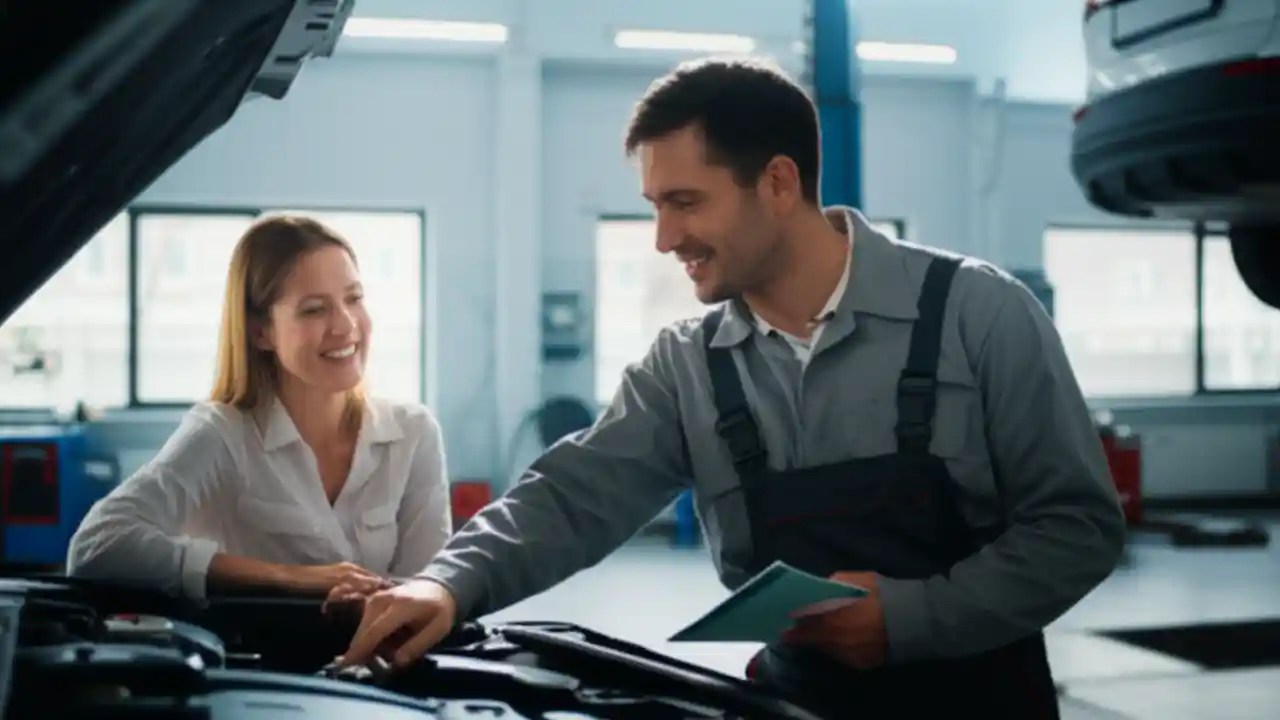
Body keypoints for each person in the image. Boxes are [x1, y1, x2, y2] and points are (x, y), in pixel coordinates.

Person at [334, 57, 1125, 717]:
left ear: (778, 183)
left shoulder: (978, 315)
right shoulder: (688, 365)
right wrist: (447, 583)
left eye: (685, 203)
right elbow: (570, 497)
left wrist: (908, 620)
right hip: (791, 704)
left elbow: (1078, 528)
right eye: (654, 206)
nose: (663, 238)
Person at [67, 215, 452, 601]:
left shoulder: (413, 432)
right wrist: (291, 578)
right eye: (315, 309)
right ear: (261, 332)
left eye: (353, 298)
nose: (346, 324)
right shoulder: (222, 434)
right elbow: (96, 546)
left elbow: (430, 588)